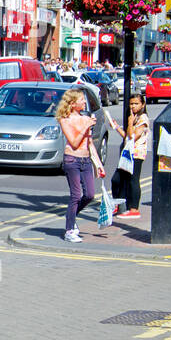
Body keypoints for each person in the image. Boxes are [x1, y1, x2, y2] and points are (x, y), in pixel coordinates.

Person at [56, 88, 103, 243]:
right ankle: (69, 230)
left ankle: (71, 216)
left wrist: (98, 163)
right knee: (76, 195)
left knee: (89, 195)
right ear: (72, 102)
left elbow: (89, 144)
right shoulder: (65, 119)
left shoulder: (85, 118)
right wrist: (85, 125)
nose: (84, 102)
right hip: (72, 160)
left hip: (86, 160)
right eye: (82, 99)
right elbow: (75, 143)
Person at [106, 94, 149, 219]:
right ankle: (118, 205)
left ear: (143, 104)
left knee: (133, 180)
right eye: (131, 104)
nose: (133, 106)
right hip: (128, 153)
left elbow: (132, 136)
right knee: (117, 179)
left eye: (136, 103)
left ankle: (134, 209)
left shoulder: (143, 119)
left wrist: (130, 122)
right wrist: (116, 127)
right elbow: (126, 136)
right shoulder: (134, 117)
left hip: (136, 153)